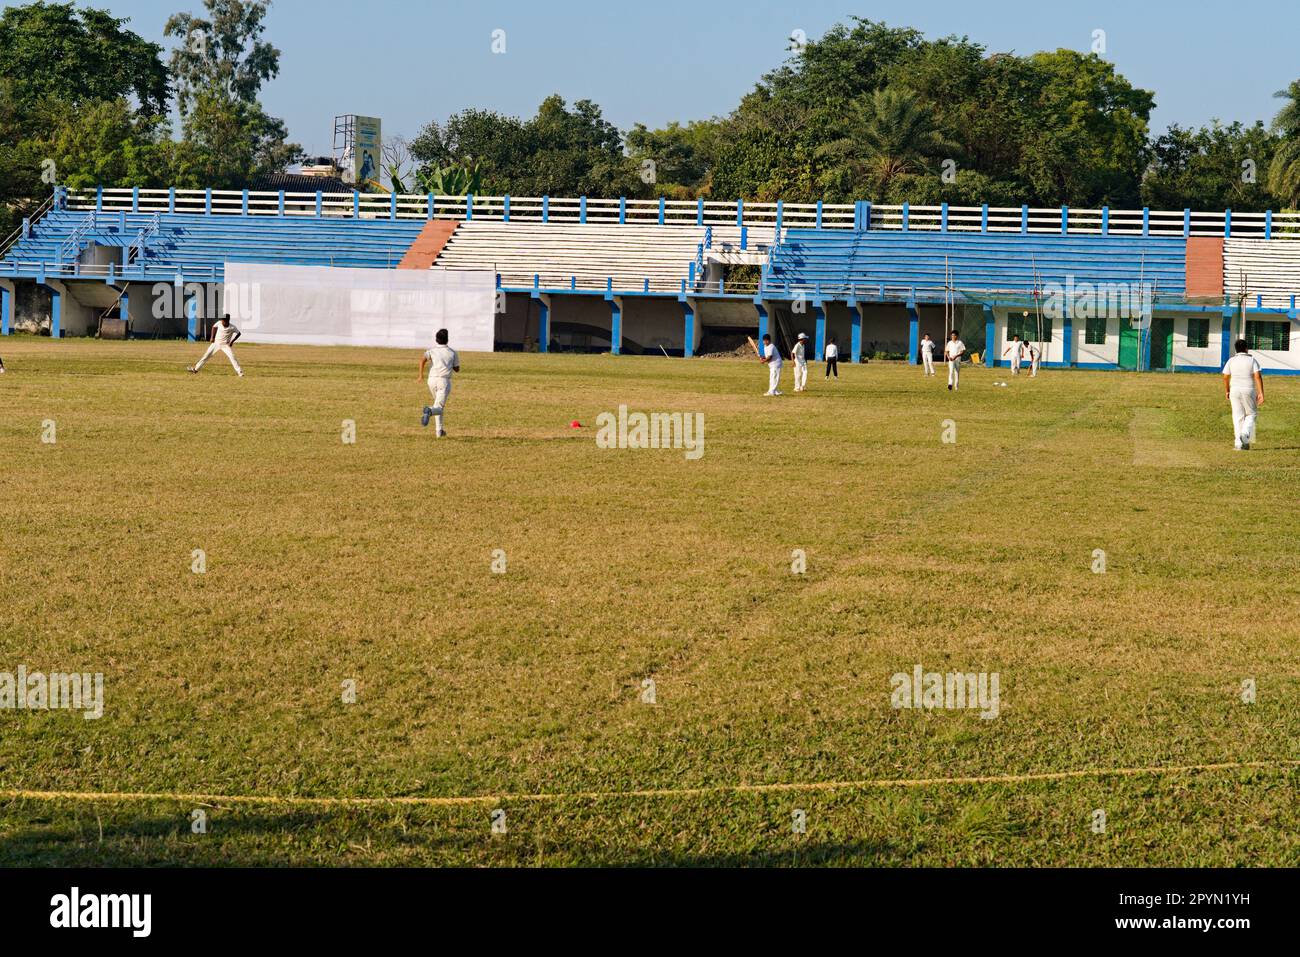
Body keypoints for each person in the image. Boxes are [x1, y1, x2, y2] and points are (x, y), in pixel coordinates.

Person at [1222, 338, 1264, 450]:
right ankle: (1245, 433)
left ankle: (1239, 444)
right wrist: (1261, 393)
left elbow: (1225, 376)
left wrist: (1227, 391)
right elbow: (1257, 376)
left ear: (1236, 350)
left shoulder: (1231, 360)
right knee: (1251, 414)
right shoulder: (1252, 360)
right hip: (1248, 389)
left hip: (1234, 390)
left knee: (1237, 417)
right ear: (1246, 349)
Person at [419, 327, 460, 437]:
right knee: (438, 408)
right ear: (447, 340)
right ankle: (429, 411)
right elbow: (457, 369)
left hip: (431, 380)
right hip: (443, 381)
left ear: (436, 340)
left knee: (438, 406)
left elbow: (422, 359)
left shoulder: (432, 351)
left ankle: (439, 431)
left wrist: (420, 375)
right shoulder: (452, 353)